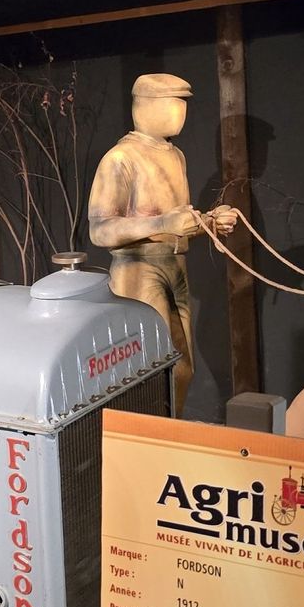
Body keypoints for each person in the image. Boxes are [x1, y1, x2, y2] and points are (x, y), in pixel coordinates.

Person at [86, 73, 232, 414]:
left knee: (181, 368)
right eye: (173, 103)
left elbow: (177, 223)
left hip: (175, 266)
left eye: (183, 104)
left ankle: (169, 436)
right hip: (138, 270)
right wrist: (162, 222)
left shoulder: (175, 156)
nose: (180, 112)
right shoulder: (120, 159)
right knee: (149, 368)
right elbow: (100, 230)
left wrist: (210, 222)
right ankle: (144, 444)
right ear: (145, 107)